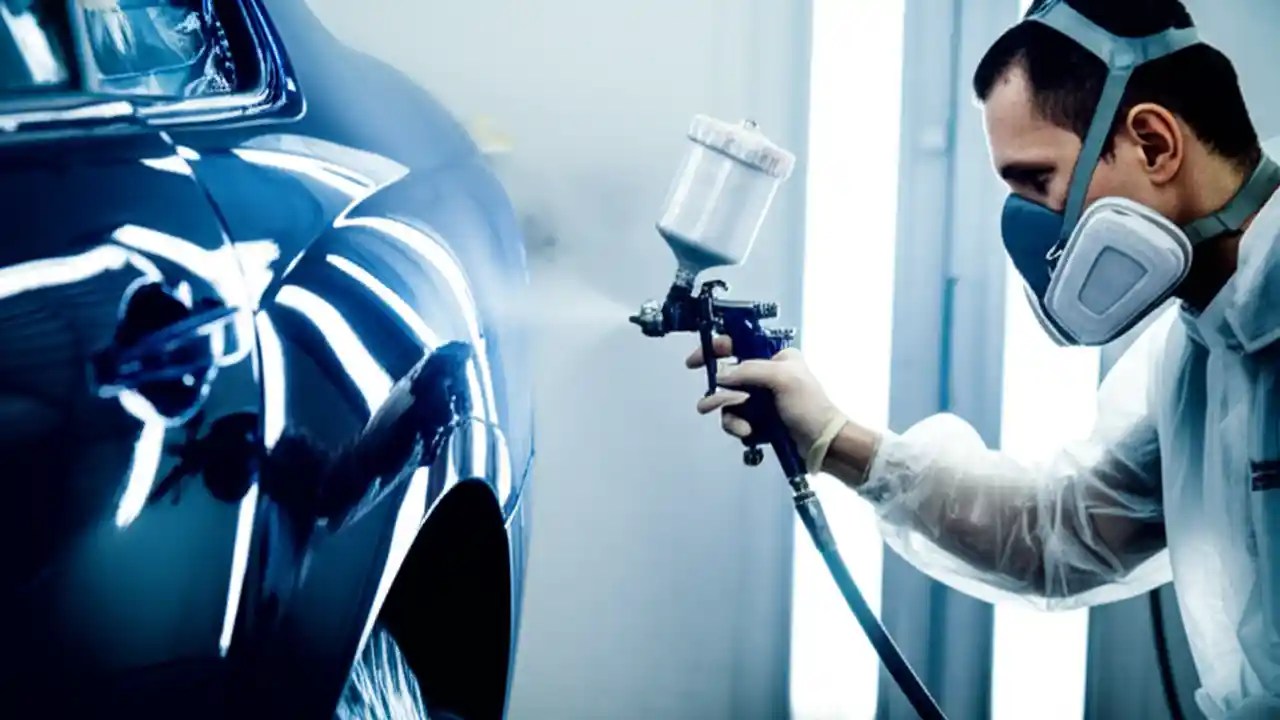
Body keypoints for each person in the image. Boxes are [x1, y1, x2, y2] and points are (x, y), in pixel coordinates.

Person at [688, 0, 1280, 717]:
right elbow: (1064, 534)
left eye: (1038, 181)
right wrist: (830, 436)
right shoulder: (1199, 353)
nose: (1031, 224)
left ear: (1154, 143)